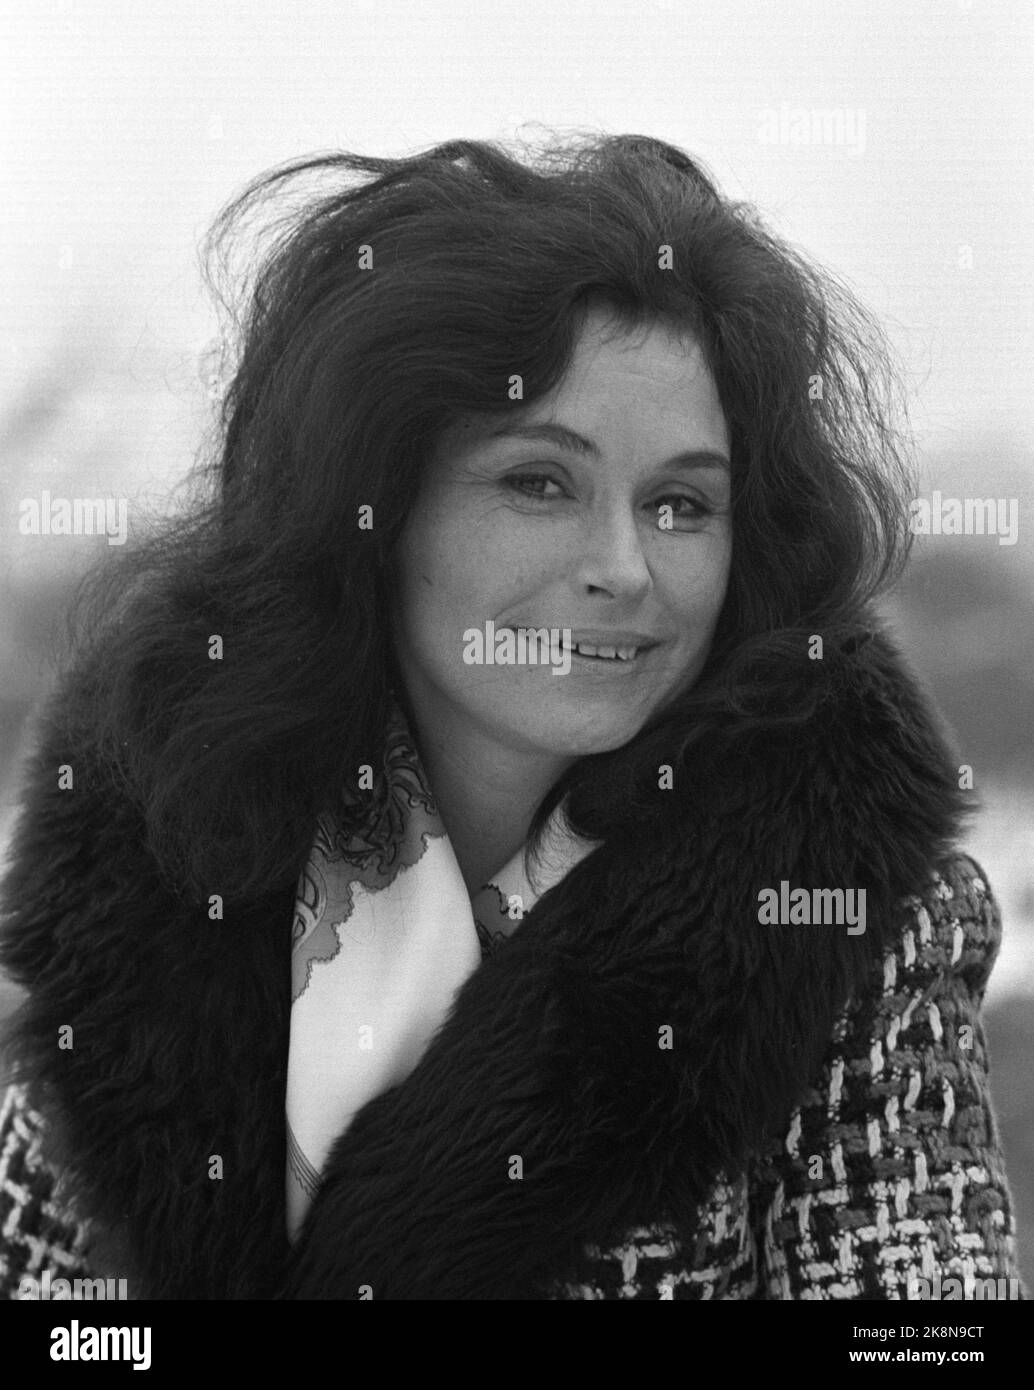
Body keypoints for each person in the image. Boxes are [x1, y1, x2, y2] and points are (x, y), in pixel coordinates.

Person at [0, 134, 1024, 1301]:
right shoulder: (164, 873)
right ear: (373, 508)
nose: (623, 568)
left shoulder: (846, 915)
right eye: (540, 482)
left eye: (682, 504)